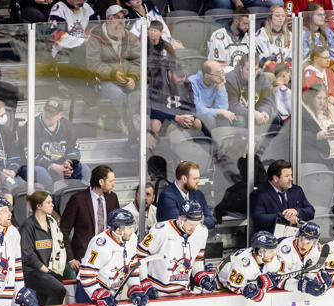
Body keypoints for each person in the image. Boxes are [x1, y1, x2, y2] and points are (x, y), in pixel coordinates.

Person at [136, 200, 215, 297]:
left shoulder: (202, 232)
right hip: (157, 292)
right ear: (181, 219)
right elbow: (140, 255)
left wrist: (203, 279)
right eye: (190, 225)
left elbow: (197, 261)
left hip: (183, 292)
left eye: (196, 224)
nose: (193, 229)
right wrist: (145, 283)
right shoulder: (161, 230)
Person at [0, 99, 54, 191]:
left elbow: (14, 155)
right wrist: (1, 171)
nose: (5, 117)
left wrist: (13, 169)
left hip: (10, 172)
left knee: (41, 173)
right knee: (19, 186)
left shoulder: (6, 131)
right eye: (2, 115)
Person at [76, 208, 148, 306]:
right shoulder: (100, 244)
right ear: (118, 230)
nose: (132, 230)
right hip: (89, 290)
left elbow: (132, 266)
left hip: (112, 291)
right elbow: (86, 274)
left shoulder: (131, 239)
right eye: (129, 227)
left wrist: (134, 287)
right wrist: (99, 293)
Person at [86, 5, 140, 137]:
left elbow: (138, 61)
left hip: (128, 78)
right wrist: (112, 74)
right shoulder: (96, 37)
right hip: (106, 80)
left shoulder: (130, 37)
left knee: (143, 91)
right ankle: (126, 122)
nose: (121, 21)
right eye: (117, 18)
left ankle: (139, 123)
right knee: (119, 94)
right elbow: (93, 63)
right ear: (109, 20)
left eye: (122, 18)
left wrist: (133, 77)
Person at [60, 165, 120, 272]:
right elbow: (63, 230)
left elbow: (117, 226)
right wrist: (71, 258)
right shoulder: (78, 200)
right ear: (101, 182)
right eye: (111, 181)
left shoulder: (112, 198)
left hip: (108, 255)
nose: (113, 184)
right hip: (84, 256)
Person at [23, 97, 90, 184]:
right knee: (41, 173)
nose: (48, 115)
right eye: (46, 111)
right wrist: (51, 166)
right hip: (43, 167)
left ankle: (77, 196)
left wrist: (69, 162)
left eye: (52, 113)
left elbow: (74, 149)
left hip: (63, 165)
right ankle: (49, 197)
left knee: (83, 169)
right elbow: (30, 155)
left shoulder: (67, 126)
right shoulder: (31, 125)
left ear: (60, 115)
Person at [20, 190, 67, 306]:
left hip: (51, 270)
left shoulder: (52, 223)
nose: (52, 205)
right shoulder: (28, 225)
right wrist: (44, 269)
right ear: (39, 206)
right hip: (33, 272)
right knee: (59, 290)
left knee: (43, 301)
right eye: (49, 202)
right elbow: (28, 253)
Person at [266, 221, 332, 296]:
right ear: (297, 236)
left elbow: (311, 275)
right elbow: (278, 280)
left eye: (308, 243)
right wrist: (301, 286)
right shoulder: (284, 249)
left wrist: (318, 279)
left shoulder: (316, 250)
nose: (304, 246)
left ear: (314, 242)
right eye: (301, 240)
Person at [148, 58, 203, 146]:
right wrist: (175, 117)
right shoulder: (158, 83)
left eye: (183, 75)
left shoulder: (186, 83)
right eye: (179, 75)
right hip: (163, 117)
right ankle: (156, 153)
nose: (182, 78)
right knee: (154, 124)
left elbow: (192, 105)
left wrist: (191, 116)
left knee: (197, 123)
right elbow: (154, 111)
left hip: (180, 116)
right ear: (170, 73)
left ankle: (190, 149)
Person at [250, 160, 315, 233]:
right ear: (275, 178)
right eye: (287, 176)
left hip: (294, 239)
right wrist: (284, 216)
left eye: (291, 175)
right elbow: (258, 218)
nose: (291, 178)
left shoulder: (296, 190)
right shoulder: (259, 194)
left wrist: (296, 211)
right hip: (271, 240)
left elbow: (311, 211)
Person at [217, 230, 280, 302]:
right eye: (271, 251)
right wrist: (257, 289)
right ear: (260, 252)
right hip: (220, 285)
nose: (274, 254)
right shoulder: (241, 263)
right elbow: (233, 287)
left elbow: (275, 277)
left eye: (275, 250)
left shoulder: (269, 258)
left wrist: (269, 282)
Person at [155, 160, 215, 229]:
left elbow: (211, 221)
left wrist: (193, 222)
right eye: (195, 179)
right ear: (184, 179)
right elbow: (178, 225)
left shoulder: (198, 194)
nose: (198, 181)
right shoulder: (167, 196)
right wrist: (200, 220)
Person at [301, 82, 334, 164]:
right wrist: (317, 136)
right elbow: (298, 136)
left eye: (324, 98)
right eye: (319, 98)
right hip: (318, 155)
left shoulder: (327, 112)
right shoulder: (304, 113)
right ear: (312, 97)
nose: (322, 101)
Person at [225, 54, 275, 127]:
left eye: (255, 69)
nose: (252, 73)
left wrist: (264, 112)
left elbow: (266, 100)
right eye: (248, 69)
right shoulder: (230, 78)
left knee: (275, 118)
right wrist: (253, 114)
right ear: (241, 68)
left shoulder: (262, 77)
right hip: (239, 114)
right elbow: (232, 105)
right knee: (240, 120)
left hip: (257, 112)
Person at [188, 60, 236, 129]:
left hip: (212, 113)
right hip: (195, 115)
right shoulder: (191, 83)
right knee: (209, 119)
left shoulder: (217, 81)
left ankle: (222, 139)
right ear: (207, 76)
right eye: (218, 73)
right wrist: (219, 111)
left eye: (222, 72)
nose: (221, 76)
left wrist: (220, 88)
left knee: (226, 119)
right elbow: (197, 109)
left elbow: (223, 108)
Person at [208, 6, 250, 73]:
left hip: (245, 77)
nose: (247, 27)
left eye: (248, 24)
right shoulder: (219, 36)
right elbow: (218, 67)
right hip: (226, 78)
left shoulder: (247, 37)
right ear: (236, 21)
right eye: (245, 24)